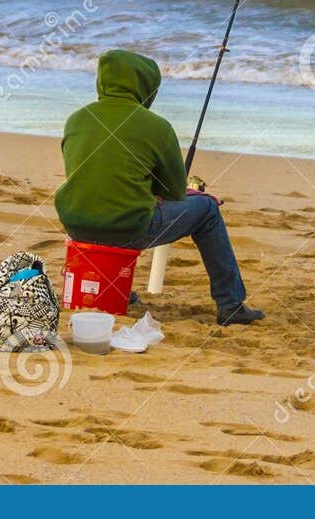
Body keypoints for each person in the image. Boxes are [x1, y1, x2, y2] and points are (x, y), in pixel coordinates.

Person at [54, 49, 263, 326]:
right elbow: (175, 191)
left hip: (76, 224)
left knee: (111, 208)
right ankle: (230, 303)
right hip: (128, 228)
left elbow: (93, 175)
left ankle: (114, 289)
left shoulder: (76, 119)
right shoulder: (157, 127)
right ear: (147, 87)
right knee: (208, 210)